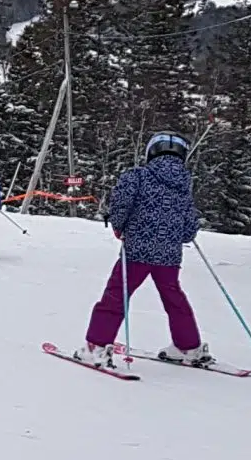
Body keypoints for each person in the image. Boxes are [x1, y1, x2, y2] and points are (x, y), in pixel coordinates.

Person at [85, 132, 208, 364]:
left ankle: (97, 345)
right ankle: (188, 346)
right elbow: (190, 224)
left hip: (137, 250)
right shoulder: (183, 183)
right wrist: (177, 236)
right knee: (173, 296)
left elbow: (121, 203)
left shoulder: (137, 176)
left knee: (117, 294)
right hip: (169, 255)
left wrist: (118, 226)